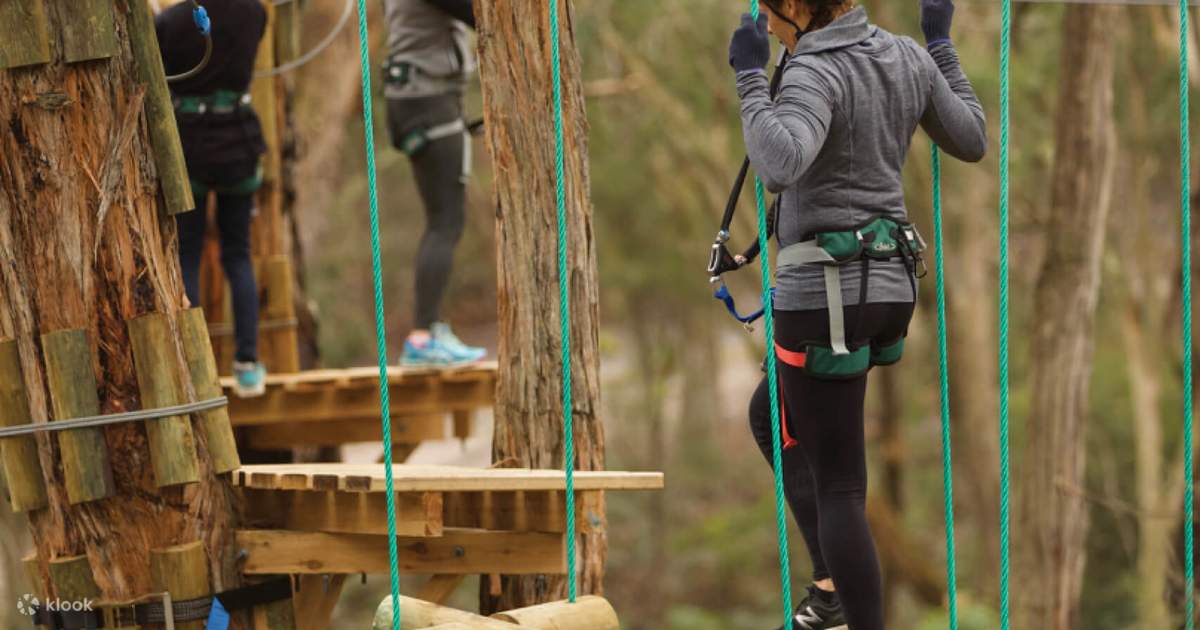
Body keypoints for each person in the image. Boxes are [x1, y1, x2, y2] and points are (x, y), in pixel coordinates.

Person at [728, 1, 987, 629]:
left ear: (794, 8)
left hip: (827, 295)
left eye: (768, 7)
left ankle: (847, 610)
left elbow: (780, 161)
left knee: (841, 483)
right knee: (772, 413)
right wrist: (940, 44)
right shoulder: (905, 55)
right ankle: (829, 586)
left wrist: (749, 77)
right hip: (885, 287)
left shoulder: (815, 71)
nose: (763, 17)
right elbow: (971, 138)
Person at [157, 0, 270, 397]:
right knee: (237, 254)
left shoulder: (170, 22)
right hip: (238, 142)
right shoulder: (255, 12)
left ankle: (192, 363)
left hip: (190, 147)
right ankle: (248, 364)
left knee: (186, 252)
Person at [382, 0, 487, 366]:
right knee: (445, 221)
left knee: (441, 220)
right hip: (428, 99)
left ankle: (429, 330)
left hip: (416, 97)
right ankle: (424, 335)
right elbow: (486, 15)